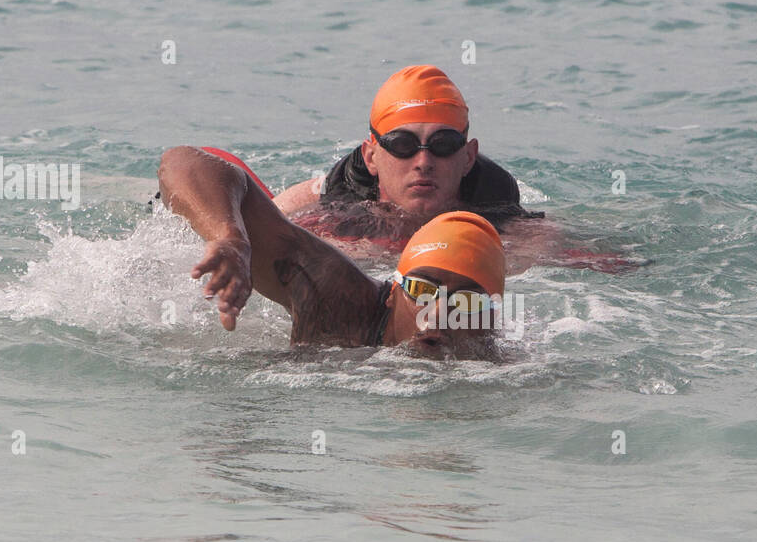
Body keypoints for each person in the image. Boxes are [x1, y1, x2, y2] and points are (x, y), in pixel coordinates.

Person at [156, 145, 506, 358]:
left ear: (491, 319)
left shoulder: (503, 370)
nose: (438, 314)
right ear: (392, 294)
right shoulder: (337, 296)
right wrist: (230, 236)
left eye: (467, 302)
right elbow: (180, 161)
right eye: (422, 289)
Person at [272, 64, 542, 243]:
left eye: (443, 145)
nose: (423, 162)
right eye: (403, 145)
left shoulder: (503, 216)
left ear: (468, 158)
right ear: (371, 157)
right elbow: (256, 216)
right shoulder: (332, 199)